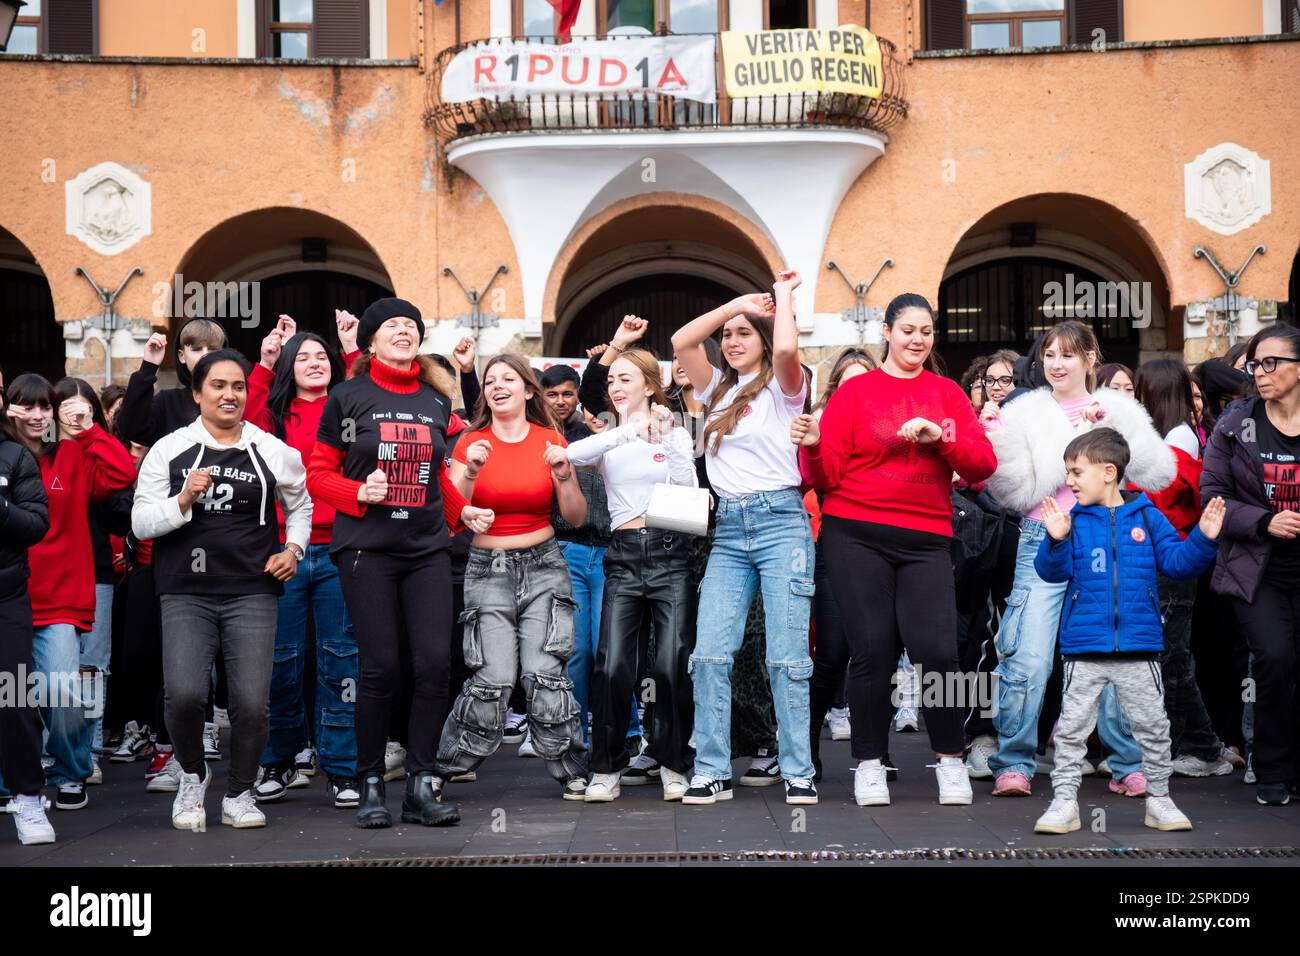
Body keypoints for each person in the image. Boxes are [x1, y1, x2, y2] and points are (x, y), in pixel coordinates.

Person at [794, 293, 997, 806]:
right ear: (886, 331)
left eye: (926, 331)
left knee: (937, 652)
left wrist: (940, 439)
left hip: (927, 537)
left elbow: (981, 465)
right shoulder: (856, 393)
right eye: (907, 329)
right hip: (855, 531)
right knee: (872, 651)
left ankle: (949, 759)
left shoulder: (947, 394)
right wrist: (814, 442)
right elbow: (822, 476)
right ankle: (867, 763)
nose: (917, 340)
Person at [307, 298, 486, 828]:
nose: (404, 330)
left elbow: (435, 481)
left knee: (434, 665)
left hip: (427, 549)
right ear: (371, 341)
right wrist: (359, 490)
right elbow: (317, 474)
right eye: (392, 325)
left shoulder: (435, 400)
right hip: (367, 549)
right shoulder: (347, 396)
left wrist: (463, 510)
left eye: (411, 324)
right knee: (381, 667)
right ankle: (368, 784)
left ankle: (421, 785)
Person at [982, 321, 1176, 797]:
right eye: (1048, 354)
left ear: (1091, 357)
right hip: (1041, 536)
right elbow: (1012, 490)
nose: (1056, 364)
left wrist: (1108, 429)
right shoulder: (1023, 410)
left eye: (1068, 354)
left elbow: (1158, 473)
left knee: (1111, 651)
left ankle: (1125, 761)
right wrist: (1001, 440)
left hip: (1106, 539)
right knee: (1027, 656)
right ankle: (1014, 761)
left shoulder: (1117, 407)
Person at [133, 349, 313, 831]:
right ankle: (193, 774)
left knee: (252, 702)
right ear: (197, 394)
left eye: (238, 386)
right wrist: (184, 498)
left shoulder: (273, 450)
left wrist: (293, 550)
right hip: (184, 591)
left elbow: (302, 505)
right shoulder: (168, 450)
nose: (230, 394)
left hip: (252, 590)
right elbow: (141, 523)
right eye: (218, 386)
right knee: (185, 695)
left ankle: (239, 792)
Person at [670, 270, 818, 807]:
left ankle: (799, 769)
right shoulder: (715, 389)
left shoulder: (784, 388)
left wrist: (778, 302)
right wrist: (734, 303)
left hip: (781, 524)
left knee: (786, 658)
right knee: (709, 654)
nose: (731, 341)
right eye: (728, 334)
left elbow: (785, 349)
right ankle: (711, 768)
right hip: (729, 529)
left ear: (764, 336)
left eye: (743, 333)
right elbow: (681, 341)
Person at [1032, 429, 1224, 834]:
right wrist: (1054, 541)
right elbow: (1052, 573)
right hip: (1084, 650)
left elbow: (1177, 563)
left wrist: (1204, 539)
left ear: (1107, 472)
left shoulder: (1148, 516)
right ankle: (1064, 802)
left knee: (1153, 728)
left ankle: (1160, 800)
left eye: (1075, 472)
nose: (1068, 481)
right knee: (1070, 731)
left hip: (1139, 647)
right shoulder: (1073, 521)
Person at [436, 353, 590, 799]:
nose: (497, 385)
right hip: (487, 569)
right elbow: (454, 513)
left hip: (544, 565)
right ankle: (445, 768)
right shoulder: (470, 441)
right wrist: (471, 471)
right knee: (493, 678)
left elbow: (575, 516)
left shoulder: (550, 438)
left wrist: (563, 475)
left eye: (508, 378)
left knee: (546, 675)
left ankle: (572, 770)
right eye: (489, 380)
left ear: (527, 390)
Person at [566, 347, 699, 802]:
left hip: (671, 554)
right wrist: (626, 434)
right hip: (621, 555)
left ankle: (672, 762)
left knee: (671, 662)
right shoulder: (607, 438)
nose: (616, 388)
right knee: (611, 664)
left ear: (648, 384)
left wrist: (666, 439)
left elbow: (689, 491)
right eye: (612, 382)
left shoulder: (676, 432)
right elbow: (570, 455)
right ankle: (605, 767)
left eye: (626, 379)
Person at [245, 314, 364, 808]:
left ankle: (341, 768)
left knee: (341, 658)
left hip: (341, 547)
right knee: (281, 660)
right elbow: (243, 419)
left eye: (322, 357)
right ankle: (279, 759)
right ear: (291, 367)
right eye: (304, 357)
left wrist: (354, 348)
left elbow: (375, 402)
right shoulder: (275, 417)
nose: (314, 363)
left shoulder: (347, 409)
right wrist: (265, 363)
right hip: (284, 550)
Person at [3, 374, 135, 812]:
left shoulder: (73, 457)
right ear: (9, 410)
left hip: (58, 597)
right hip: (9, 596)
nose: (38, 416)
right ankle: (13, 778)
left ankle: (71, 768)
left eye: (46, 407)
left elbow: (122, 473)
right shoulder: (3, 458)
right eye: (26, 406)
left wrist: (89, 428)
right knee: (12, 693)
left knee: (62, 691)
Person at [1200, 325, 1300, 806]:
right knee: (1275, 659)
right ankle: (1273, 769)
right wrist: (1264, 521)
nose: (1260, 373)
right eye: (1255, 364)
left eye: (1272, 363)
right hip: (1257, 569)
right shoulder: (1237, 424)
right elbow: (1211, 497)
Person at [1133, 359, 1235, 776]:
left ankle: (1189, 746)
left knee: (1171, 657)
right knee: (1171, 656)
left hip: (1173, 556)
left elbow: (1158, 492)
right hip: (1173, 555)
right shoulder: (1174, 435)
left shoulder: (1177, 438)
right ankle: (1204, 746)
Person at [0, 408, 54, 844]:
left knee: (15, 697)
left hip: (6, 596)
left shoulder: (15, 457)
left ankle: (28, 798)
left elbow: (36, 525)